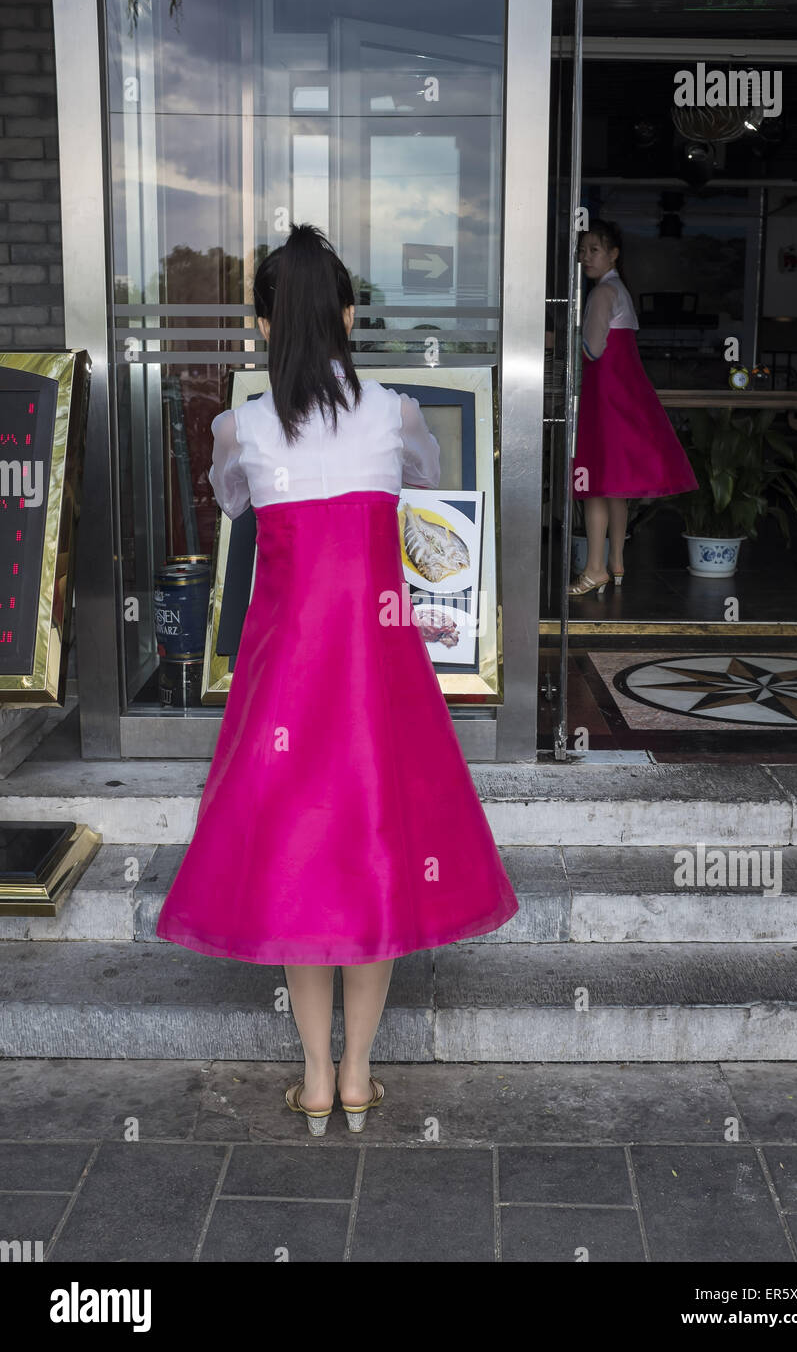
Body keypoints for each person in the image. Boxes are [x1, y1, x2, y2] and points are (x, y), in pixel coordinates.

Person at [156, 224, 519, 1134]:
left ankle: (315, 1077)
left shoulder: (237, 426)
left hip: (285, 679)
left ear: (263, 325)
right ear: (351, 314)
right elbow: (422, 479)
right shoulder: (395, 413)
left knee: (297, 865)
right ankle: (359, 1074)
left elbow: (233, 499)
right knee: (379, 859)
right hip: (378, 678)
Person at [571, 219, 697, 597]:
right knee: (616, 487)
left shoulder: (601, 294)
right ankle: (617, 564)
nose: (585, 256)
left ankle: (594, 569)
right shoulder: (619, 290)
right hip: (624, 396)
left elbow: (591, 348)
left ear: (613, 254)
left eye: (594, 249)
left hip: (603, 397)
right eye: (583, 250)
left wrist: (555, 337)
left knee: (594, 484)